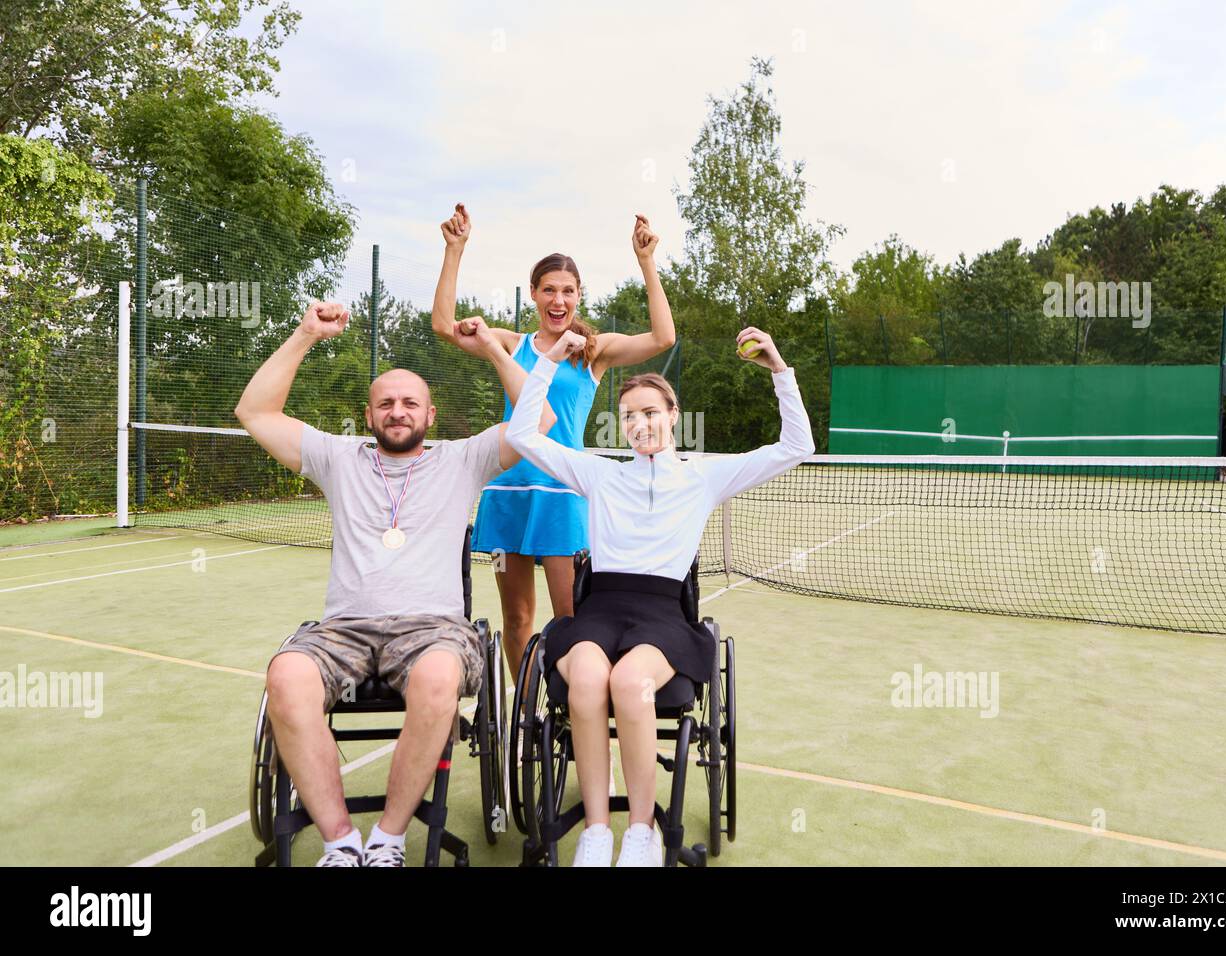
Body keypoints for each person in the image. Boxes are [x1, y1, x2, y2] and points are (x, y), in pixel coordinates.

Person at [236, 301, 555, 867]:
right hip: (343, 630)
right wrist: (306, 334)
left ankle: (387, 838)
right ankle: (339, 843)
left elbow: (541, 421)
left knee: (437, 679)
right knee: (285, 676)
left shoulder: (463, 460)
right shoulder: (338, 459)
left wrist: (491, 349)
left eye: (410, 403)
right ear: (369, 415)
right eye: (386, 402)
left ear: (430, 415)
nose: (398, 411)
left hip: (433, 630)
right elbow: (256, 412)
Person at [505, 325, 815, 866]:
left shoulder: (703, 477)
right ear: (620, 425)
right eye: (629, 415)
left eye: (651, 412)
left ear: (672, 415)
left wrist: (779, 369)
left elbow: (797, 446)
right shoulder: (600, 476)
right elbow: (523, 438)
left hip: (663, 614)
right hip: (600, 608)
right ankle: (598, 832)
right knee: (584, 678)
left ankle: (642, 832)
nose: (640, 423)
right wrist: (549, 360)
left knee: (629, 682)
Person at [431, 204, 677, 684]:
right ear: (534, 295)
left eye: (568, 291)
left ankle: (567, 706)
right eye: (549, 290)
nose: (558, 299)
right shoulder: (509, 343)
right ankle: (526, 710)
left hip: (563, 496)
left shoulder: (592, 351)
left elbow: (663, 336)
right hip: (507, 497)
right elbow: (443, 325)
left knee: (570, 619)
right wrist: (454, 249)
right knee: (518, 619)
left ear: (579, 296)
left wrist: (647, 262)